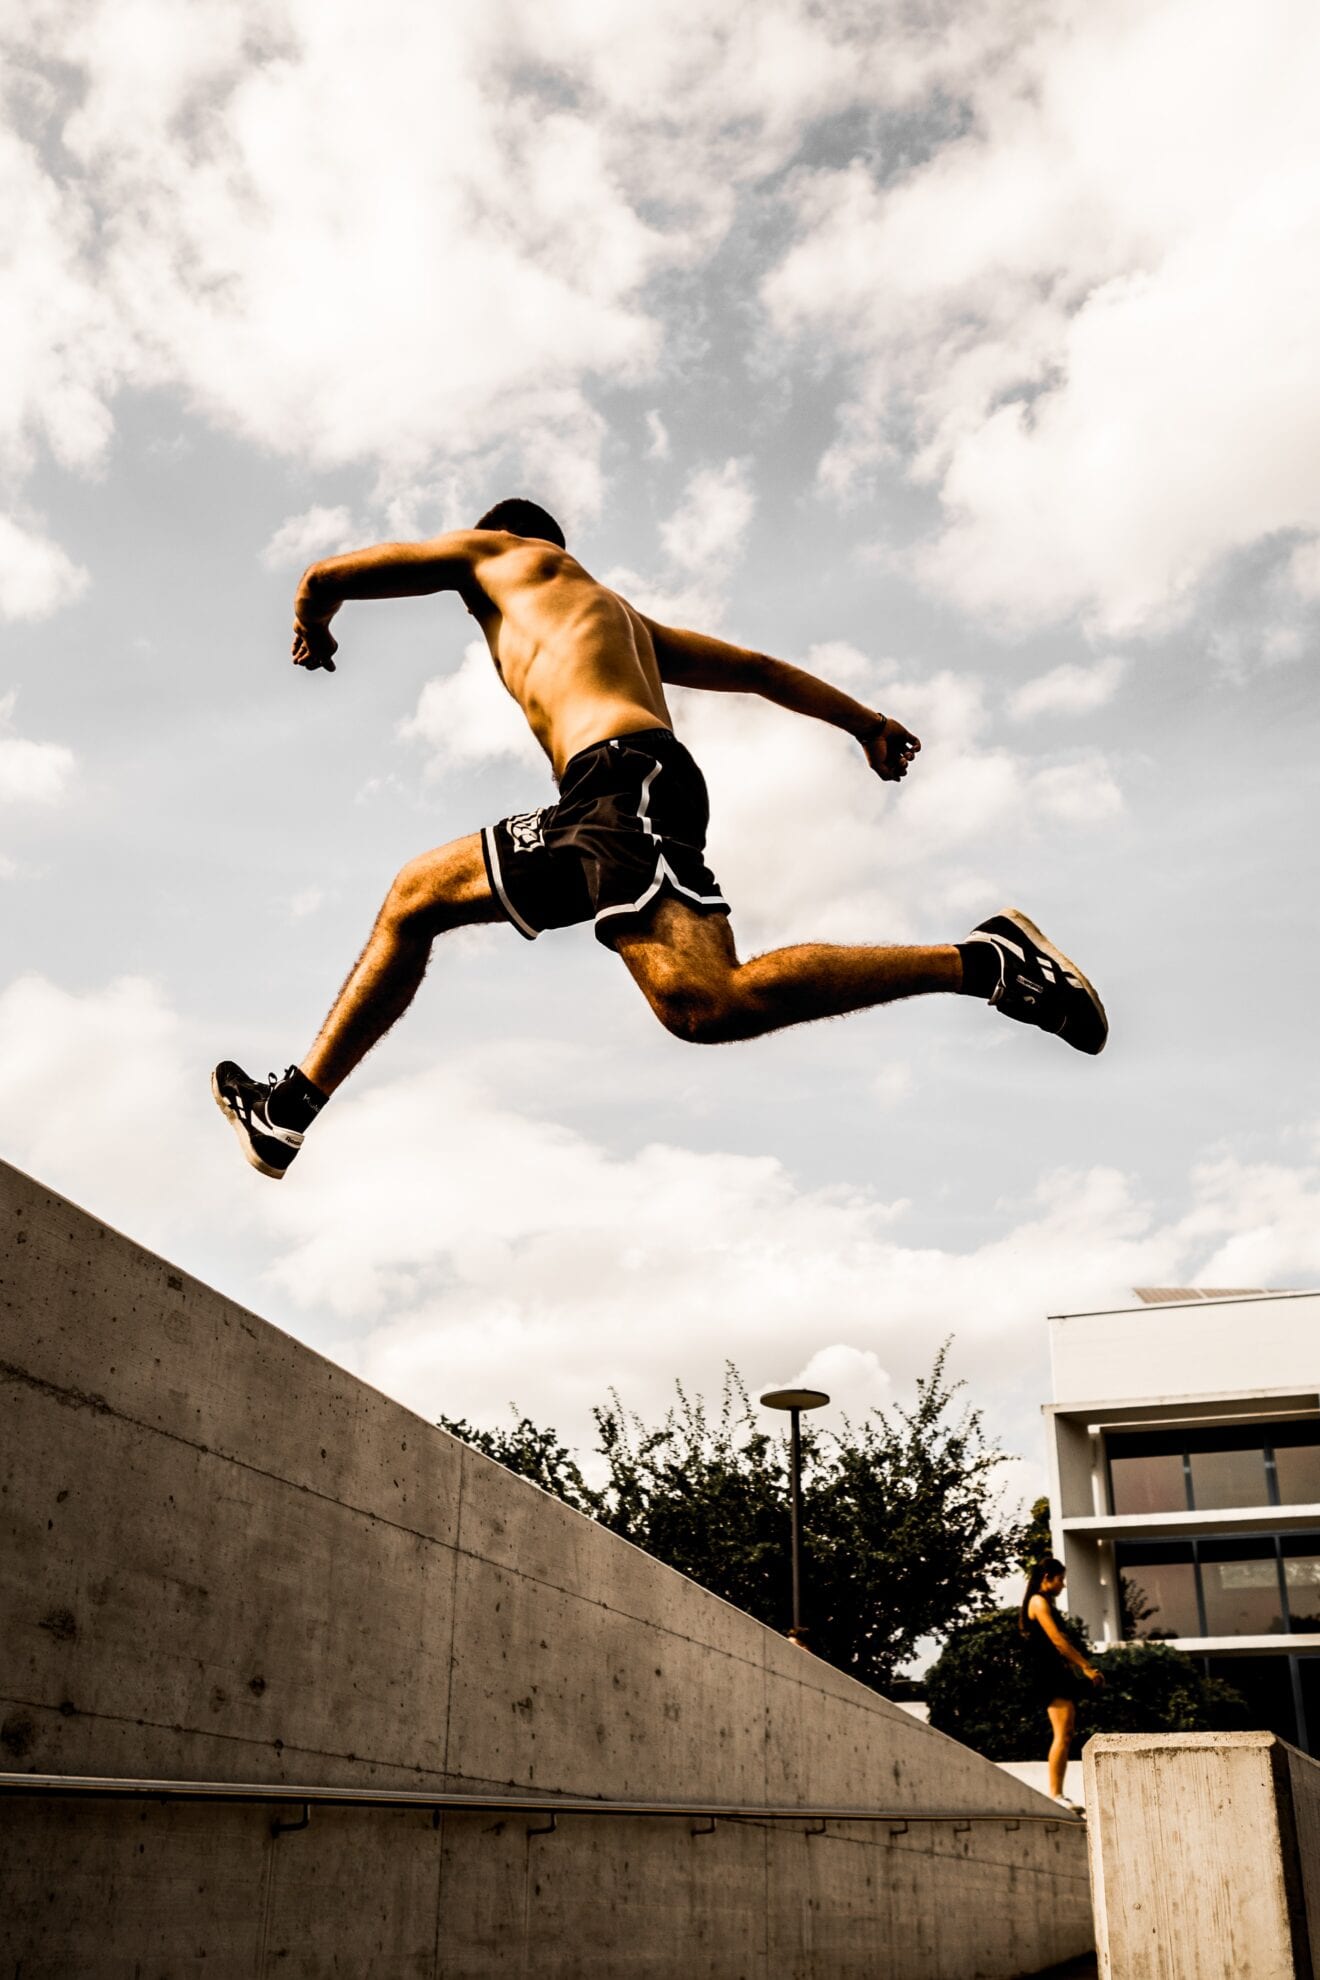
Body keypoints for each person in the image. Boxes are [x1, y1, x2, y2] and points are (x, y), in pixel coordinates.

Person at [212, 497, 1108, 1179]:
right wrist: (865, 722)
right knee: (416, 896)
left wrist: (312, 624)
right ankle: (287, 1111)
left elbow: (326, 574)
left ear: (516, 542)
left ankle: (986, 961)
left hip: (623, 781)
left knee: (703, 1002)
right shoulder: (627, 621)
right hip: (596, 798)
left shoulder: (502, 553)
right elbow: (757, 671)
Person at [1020, 1557, 1105, 1811]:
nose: (1063, 1585)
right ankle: (1055, 1794)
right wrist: (1087, 1667)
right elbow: (1057, 1641)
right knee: (1063, 1733)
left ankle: (1058, 1793)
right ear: (1047, 1577)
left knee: (1067, 1733)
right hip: (1048, 1675)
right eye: (1060, 1579)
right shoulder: (1037, 1601)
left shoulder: (1044, 1602)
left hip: (1056, 1674)